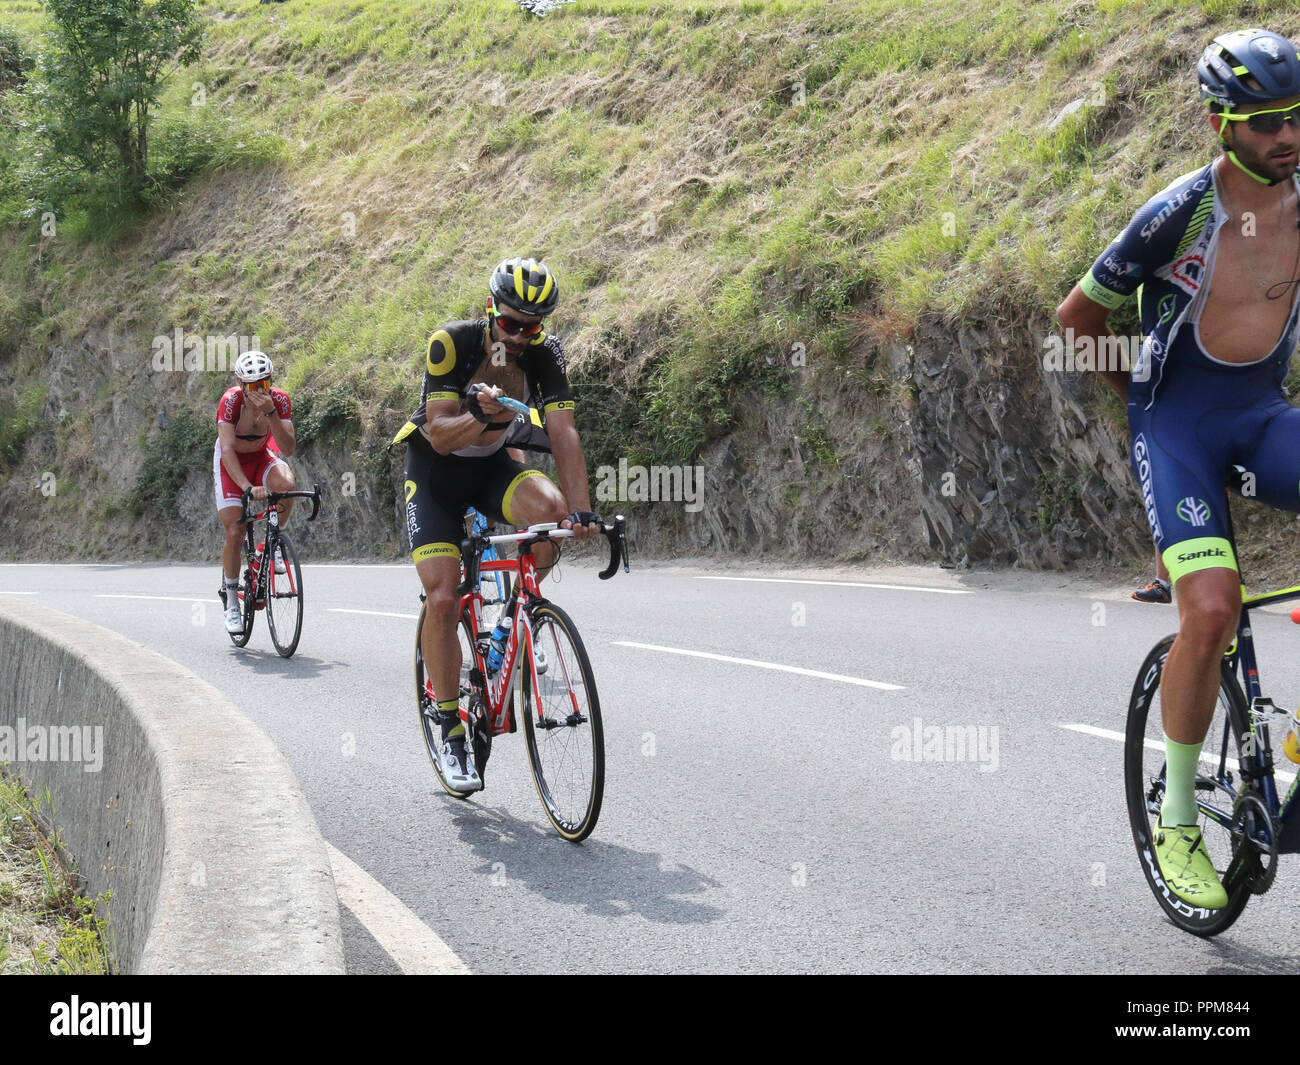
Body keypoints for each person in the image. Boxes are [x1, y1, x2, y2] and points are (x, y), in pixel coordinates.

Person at [1058, 28, 1300, 909]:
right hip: (1178, 427)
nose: (1286, 136)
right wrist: (1141, 398)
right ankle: (1179, 820)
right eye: (1266, 121)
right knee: (1212, 604)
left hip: (1263, 414)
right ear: (1220, 124)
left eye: (1296, 118)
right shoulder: (1179, 213)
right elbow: (1077, 316)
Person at [392, 257, 601, 791]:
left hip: (493, 468)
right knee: (442, 597)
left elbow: (564, 434)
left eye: (533, 326)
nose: (522, 334)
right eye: (511, 323)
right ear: (491, 310)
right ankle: (450, 725)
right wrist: (482, 416)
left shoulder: (544, 354)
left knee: (551, 518)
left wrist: (582, 511)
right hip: (437, 474)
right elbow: (438, 435)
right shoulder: (452, 343)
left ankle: (514, 621)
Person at [215, 351, 296, 634]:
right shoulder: (231, 402)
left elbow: (287, 449)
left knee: (287, 485)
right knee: (235, 530)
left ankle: (268, 547)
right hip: (232, 464)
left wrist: (272, 413)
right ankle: (232, 602)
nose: (259, 391)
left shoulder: (280, 400)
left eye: (264, 384)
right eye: (252, 386)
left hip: (261, 456)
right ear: (240, 384)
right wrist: (247, 488)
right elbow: (226, 450)